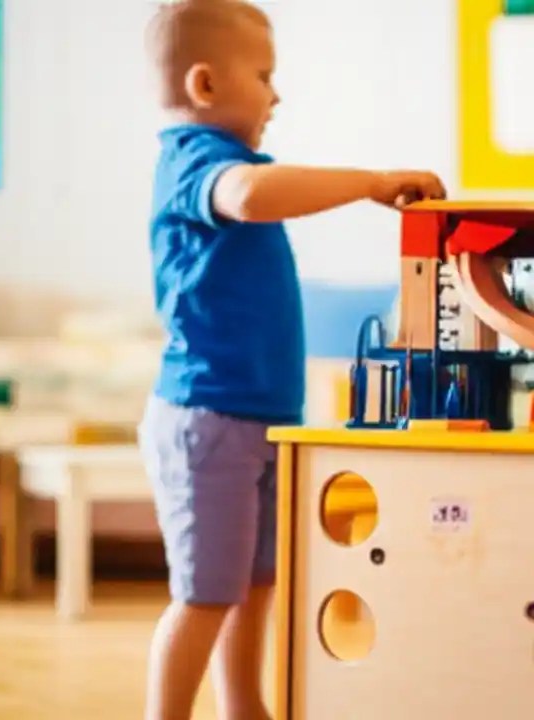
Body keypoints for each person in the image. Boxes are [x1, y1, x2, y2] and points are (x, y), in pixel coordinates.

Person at [140, 2, 445, 718]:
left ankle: (245, 708)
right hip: (207, 420)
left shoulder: (232, 165)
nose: (277, 95)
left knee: (255, 587)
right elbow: (248, 197)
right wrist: (370, 182)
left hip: (260, 418)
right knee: (205, 594)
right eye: (265, 75)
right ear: (206, 85)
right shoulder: (198, 164)